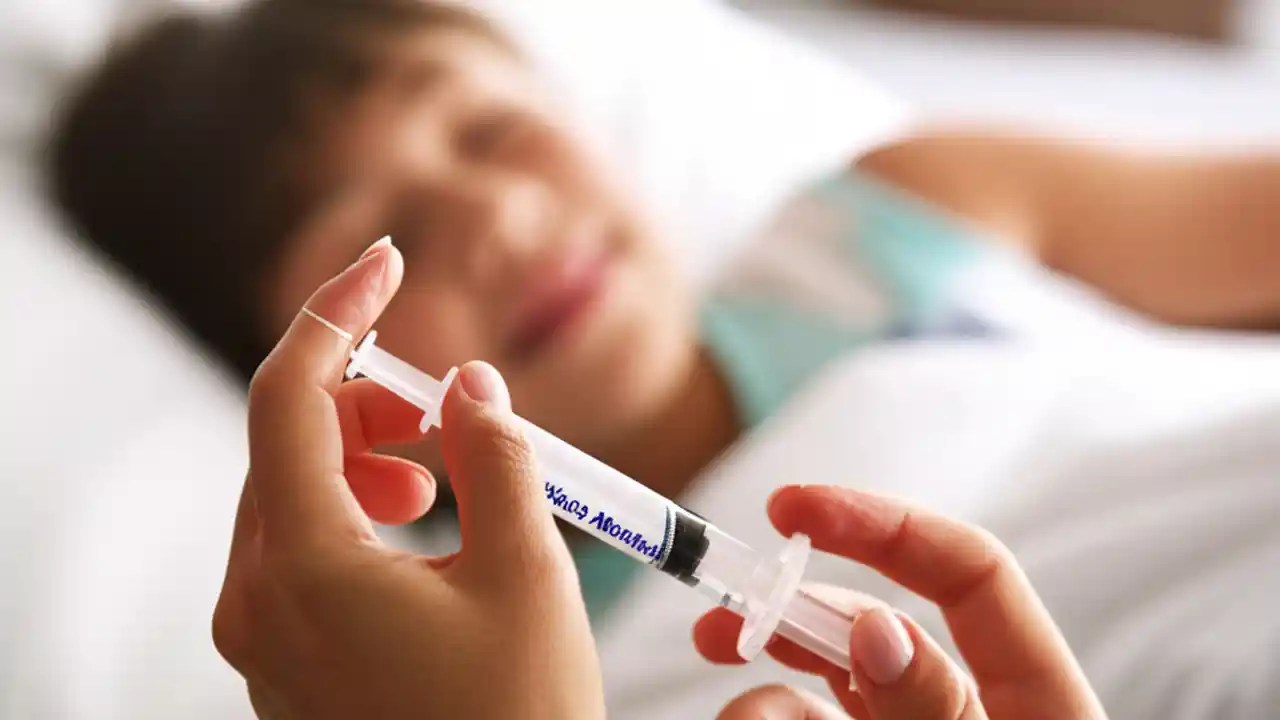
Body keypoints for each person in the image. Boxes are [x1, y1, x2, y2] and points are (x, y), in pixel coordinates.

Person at [221, 235, 1105, 718]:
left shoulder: (861, 242)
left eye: (489, 130)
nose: (493, 220)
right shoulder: (520, 653)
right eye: (405, 223)